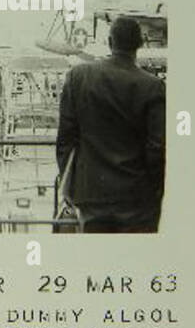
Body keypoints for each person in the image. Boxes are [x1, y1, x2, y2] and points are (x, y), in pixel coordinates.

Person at [55, 15, 165, 233]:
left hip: (91, 194)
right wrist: (155, 191)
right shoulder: (153, 86)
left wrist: (70, 184)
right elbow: (157, 147)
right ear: (140, 44)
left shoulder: (78, 77)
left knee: (97, 260)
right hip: (137, 197)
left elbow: (65, 139)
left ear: (110, 41)